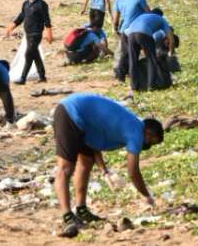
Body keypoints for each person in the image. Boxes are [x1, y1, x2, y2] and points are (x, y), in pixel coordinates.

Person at [52, 93, 164, 238]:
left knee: (86, 162)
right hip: (70, 112)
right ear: (147, 134)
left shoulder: (132, 124)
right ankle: (67, 217)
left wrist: (105, 171)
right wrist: (147, 196)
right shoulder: (136, 133)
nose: (148, 145)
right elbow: (133, 172)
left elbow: (94, 144)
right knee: (65, 168)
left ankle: (81, 209)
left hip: (83, 120)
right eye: (151, 142)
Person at [5, 0, 53, 84]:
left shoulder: (42, 4)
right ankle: (42, 76)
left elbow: (47, 20)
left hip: (36, 34)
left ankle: (23, 78)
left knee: (28, 54)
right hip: (28, 34)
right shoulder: (26, 3)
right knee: (35, 54)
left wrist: (49, 34)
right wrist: (12, 27)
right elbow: (21, 16)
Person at [112, 0, 150, 82]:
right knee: (132, 53)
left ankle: (121, 75)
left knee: (124, 53)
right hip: (135, 30)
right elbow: (149, 13)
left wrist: (116, 28)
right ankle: (127, 75)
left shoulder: (120, 0)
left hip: (124, 30)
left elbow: (116, 19)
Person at [127, 10, 173, 91]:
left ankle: (134, 86)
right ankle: (151, 85)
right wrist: (171, 52)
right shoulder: (162, 20)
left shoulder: (144, 16)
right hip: (144, 33)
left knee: (133, 61)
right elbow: (171, 40)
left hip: (130, 34)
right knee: (152, 60)